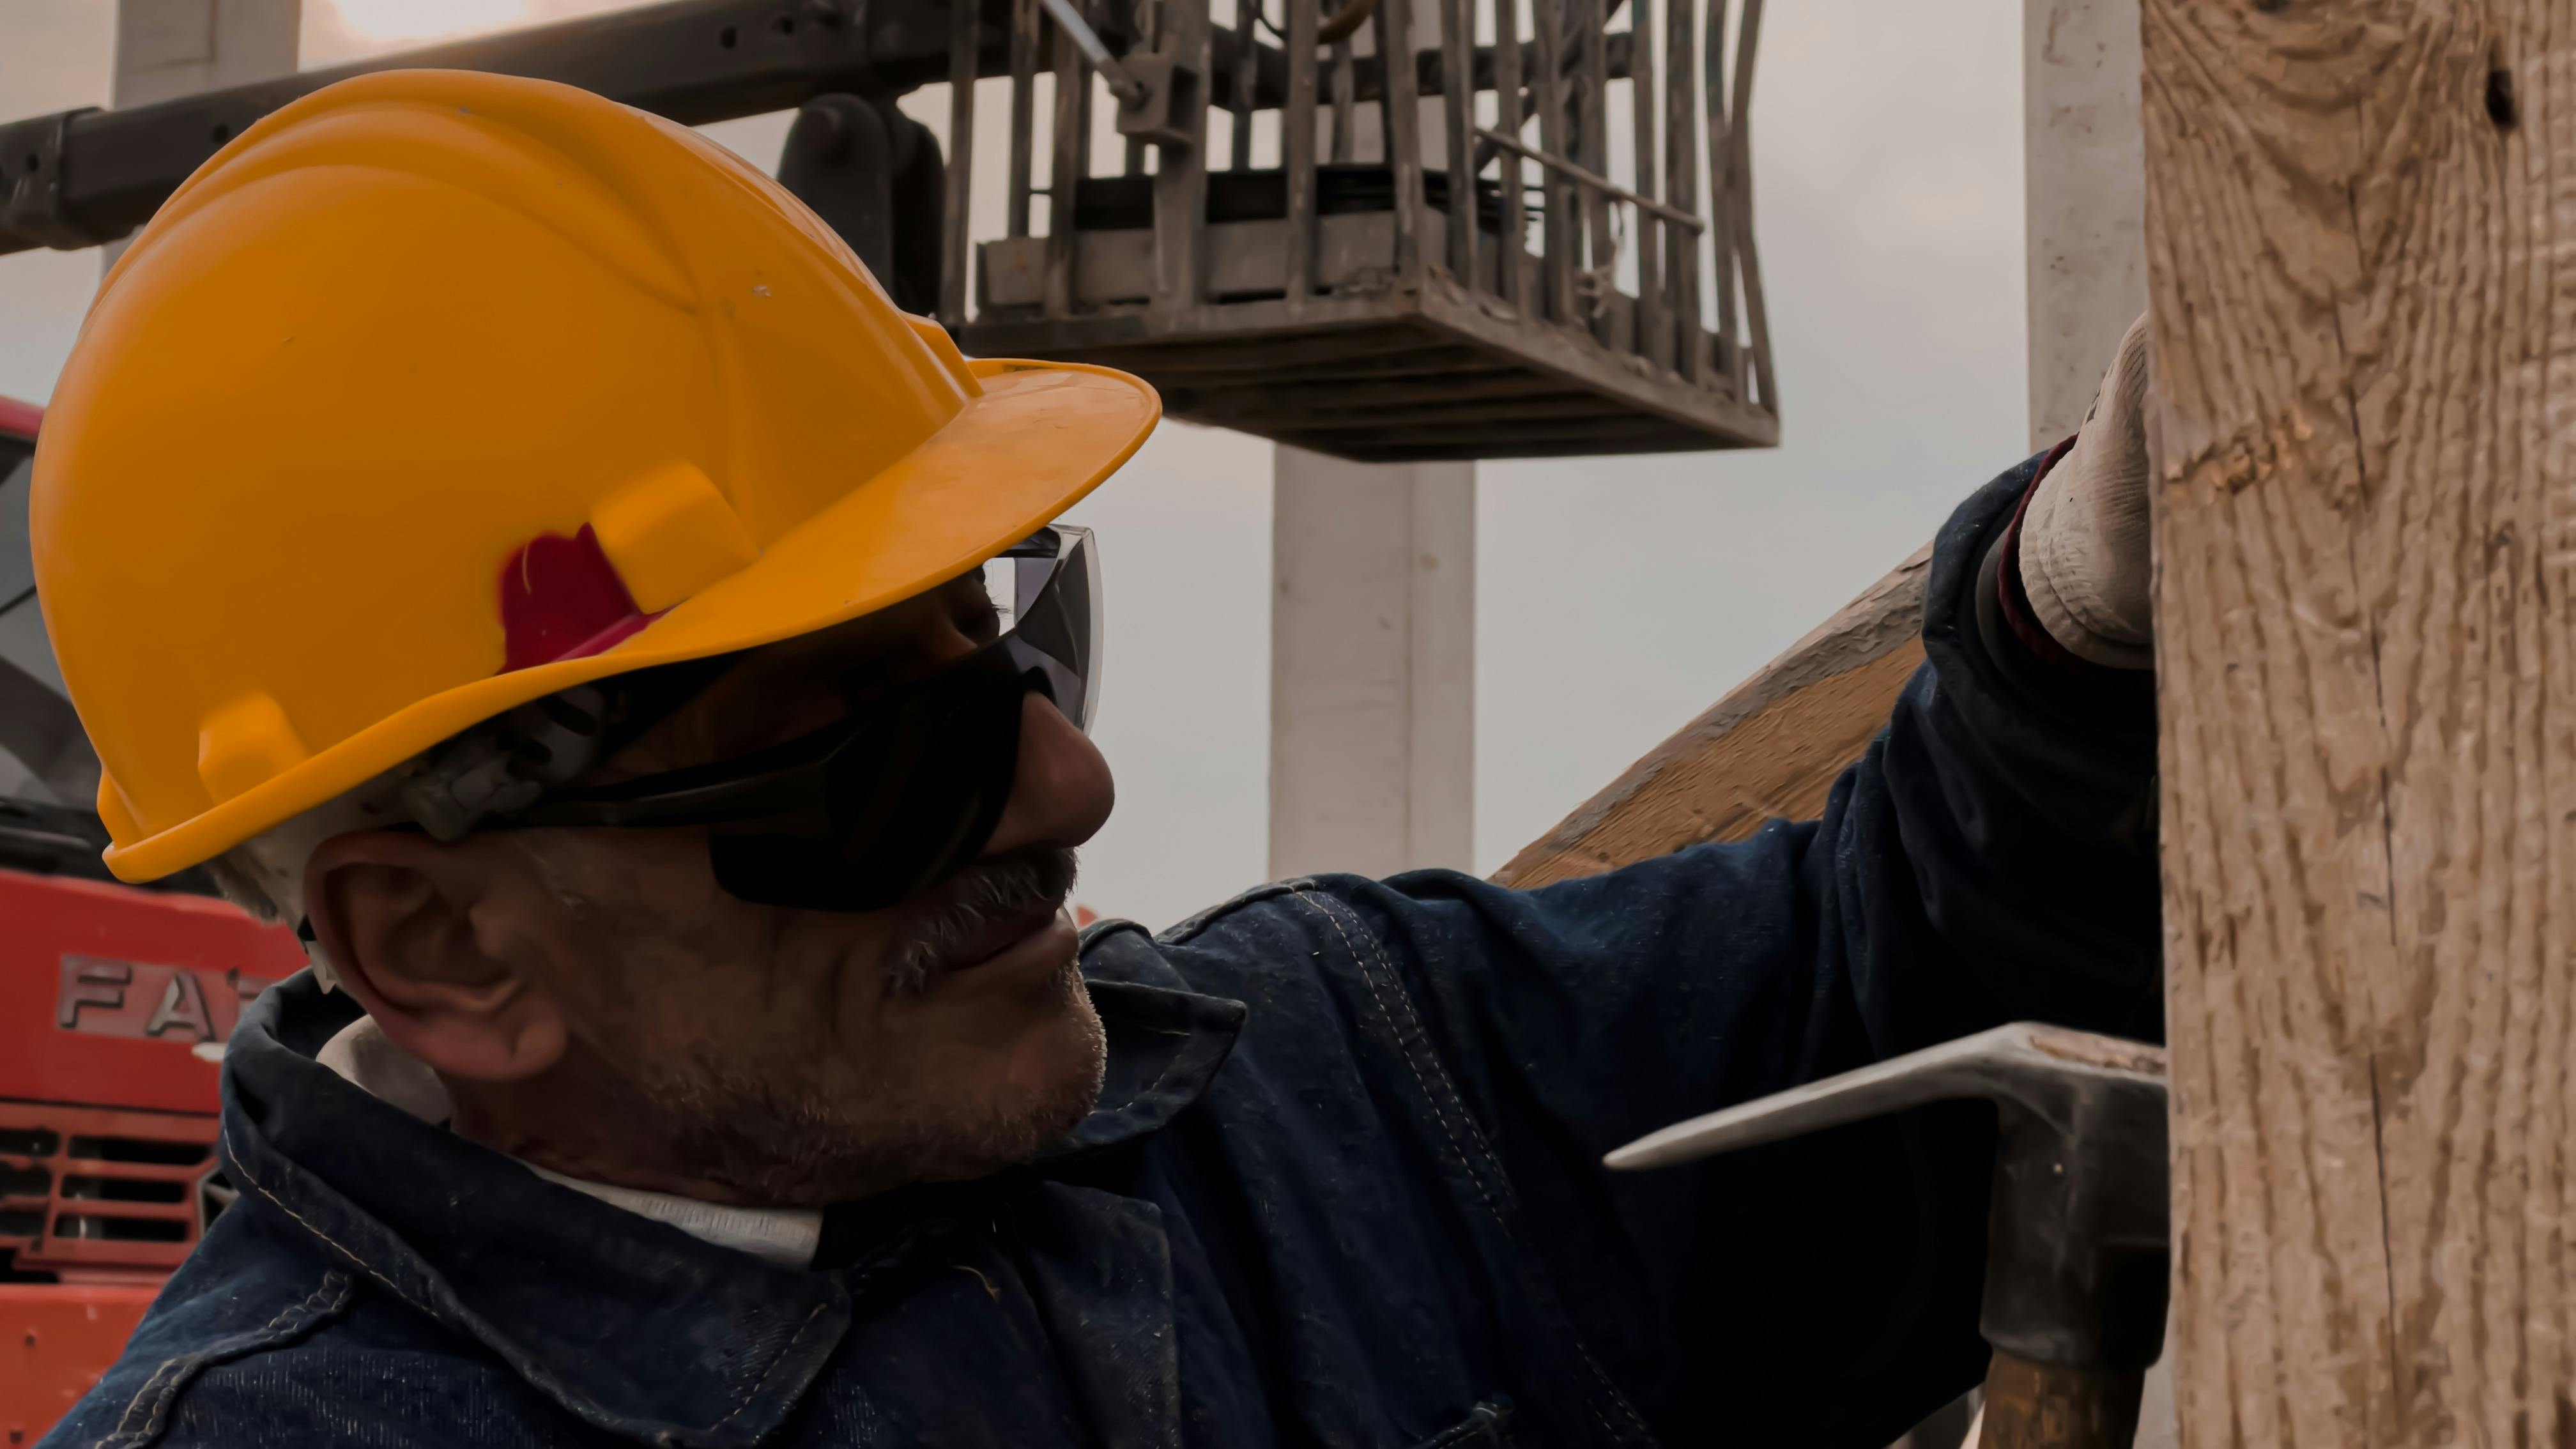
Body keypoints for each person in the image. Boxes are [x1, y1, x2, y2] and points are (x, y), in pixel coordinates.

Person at [33, 69, 2158, 1449]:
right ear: (447, 946)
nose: (1063, 789)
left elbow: (1905, 1002)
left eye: (1019, 635)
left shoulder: (1332, 1092)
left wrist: (2071, 621)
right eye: (877, 754)